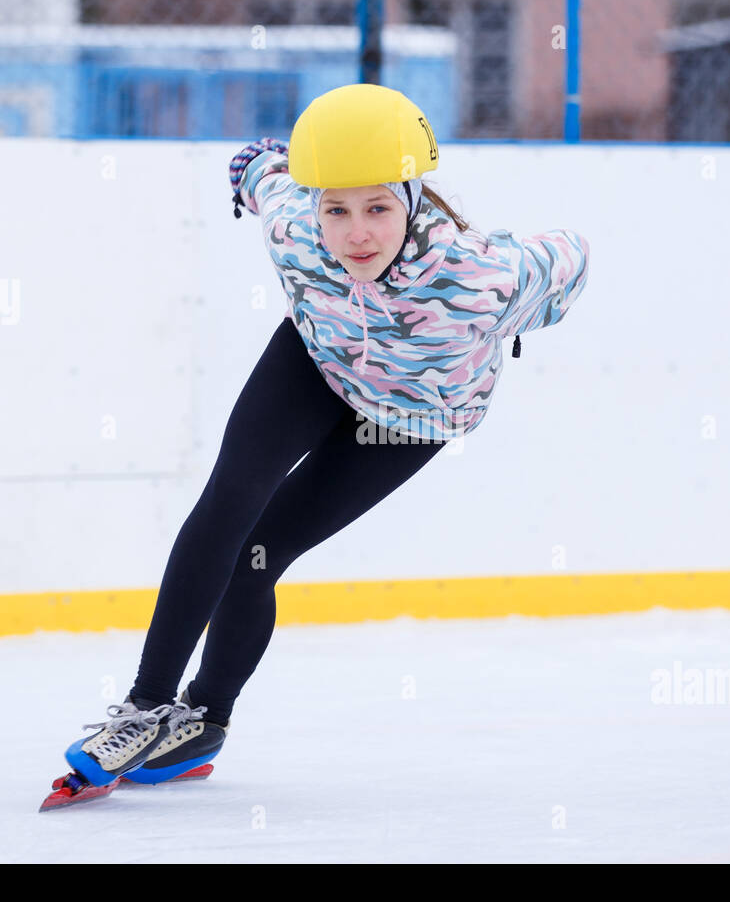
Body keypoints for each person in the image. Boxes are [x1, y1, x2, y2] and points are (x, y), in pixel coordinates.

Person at [58, 83, 590, 792]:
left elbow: (572, 254)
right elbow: (263, 170)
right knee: (230, 501)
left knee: (258, 555)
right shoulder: (295, 228)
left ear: (413, 199)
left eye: (378, 207)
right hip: (319, 358)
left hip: (412, 414)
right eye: (335, 210)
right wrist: (254, 163)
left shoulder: (476, 278)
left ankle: (206, 717)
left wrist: (527, 315)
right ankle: (148, 705)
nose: (356, 233)